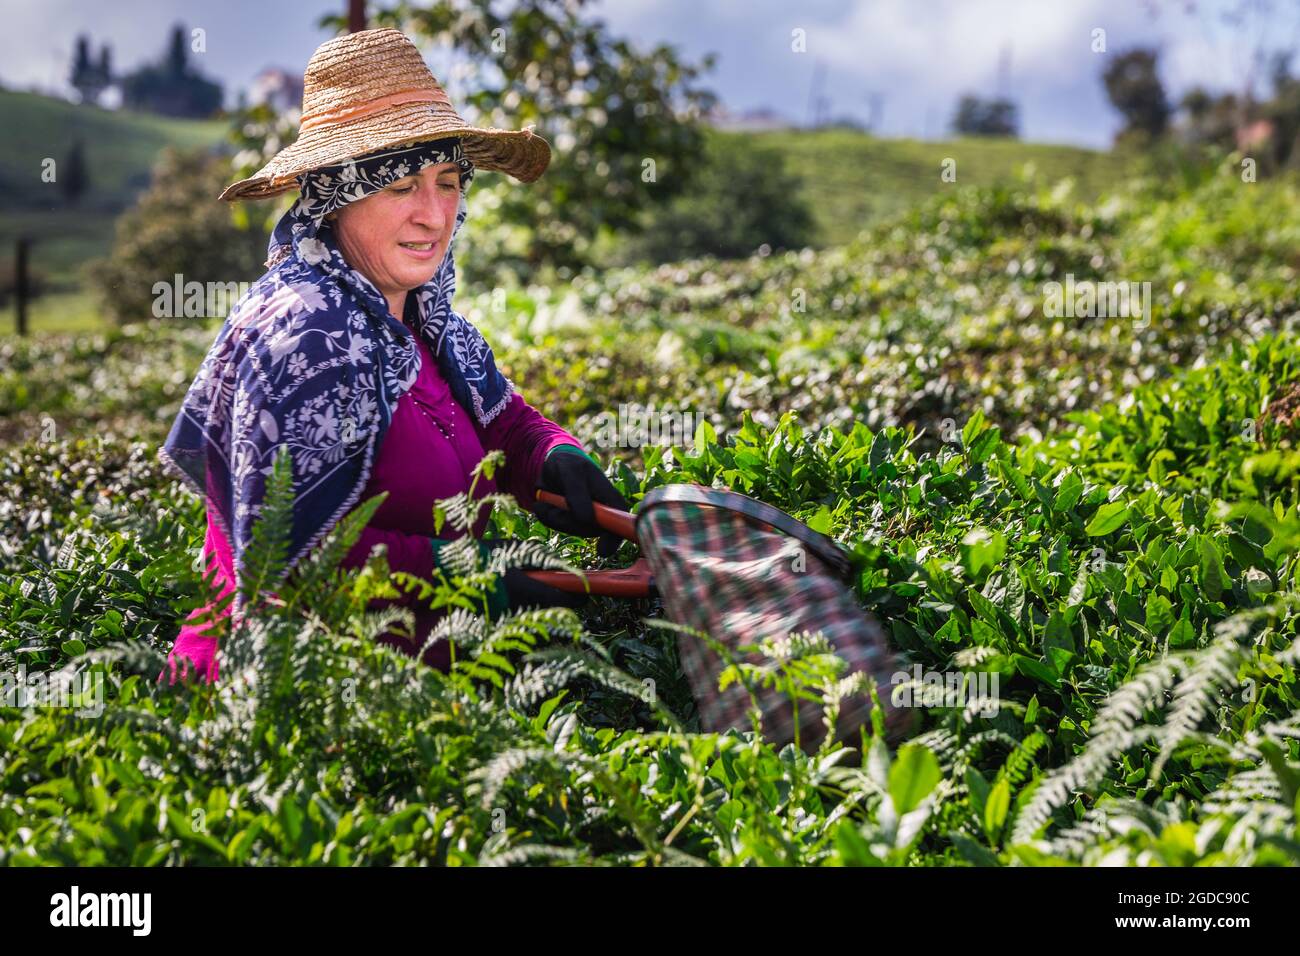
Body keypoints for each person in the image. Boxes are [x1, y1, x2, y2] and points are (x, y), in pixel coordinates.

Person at [158, 29, 628, 684]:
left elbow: (506, 423)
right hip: (286, 726)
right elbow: (296, 566)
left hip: (420, 712)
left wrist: (556, 455)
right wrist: (480, 576)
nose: (434, 215)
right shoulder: (299, 339)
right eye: (401, 186)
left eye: (447, 181)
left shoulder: (425, 324)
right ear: (335, 196)